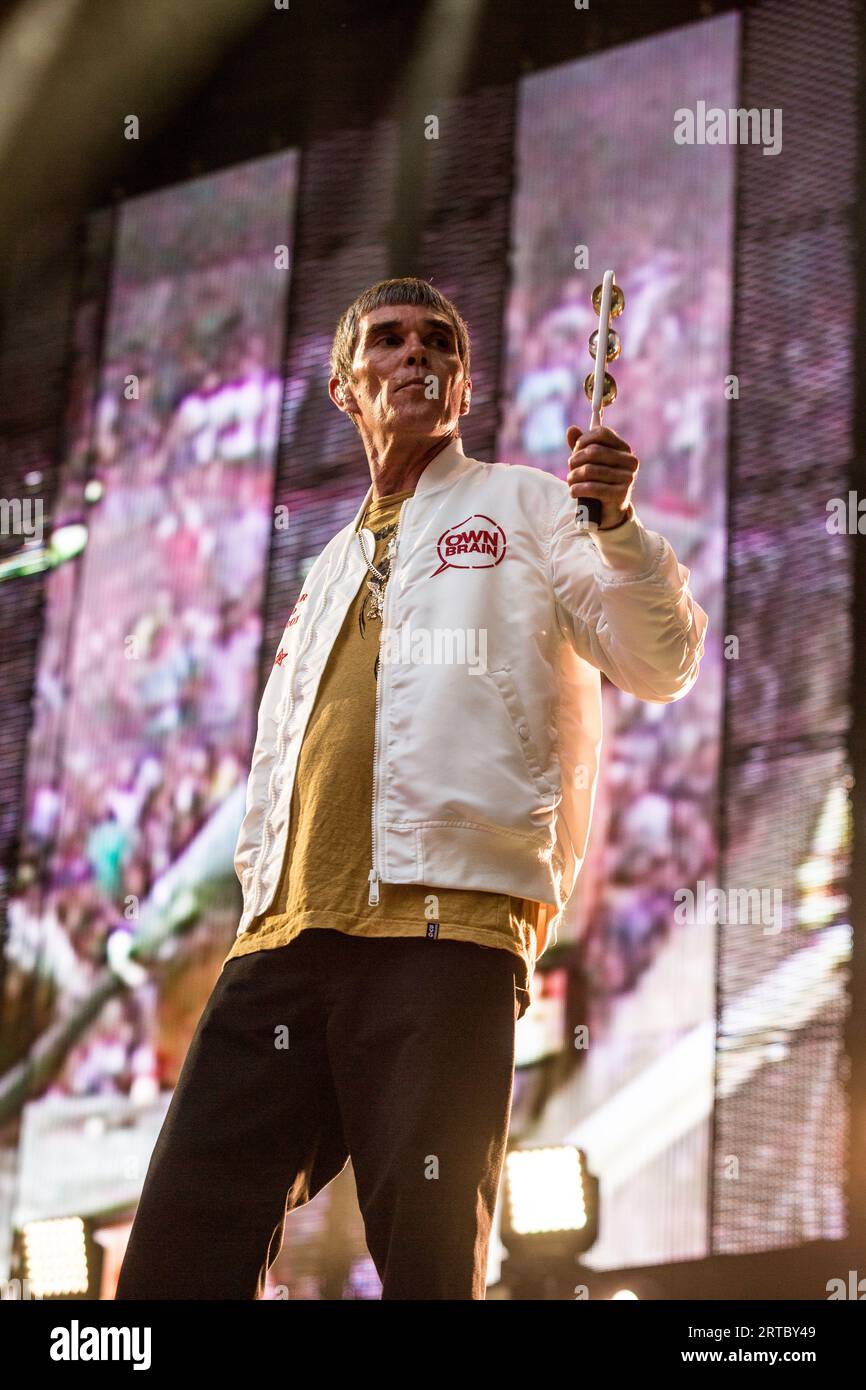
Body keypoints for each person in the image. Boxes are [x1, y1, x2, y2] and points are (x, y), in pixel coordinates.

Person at [116, 276, 708, 1301]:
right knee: (171, 1260)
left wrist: (614, 528)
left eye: (436, 340)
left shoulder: (526, 502)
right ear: (346, 387)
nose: (412, 353)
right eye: (385, 340)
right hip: (281, 947)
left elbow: (659, 660)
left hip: (447, 937)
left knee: (429, 1265)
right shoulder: (328, 567)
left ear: (463, 385)